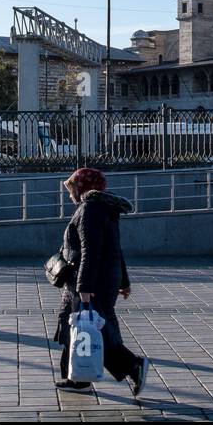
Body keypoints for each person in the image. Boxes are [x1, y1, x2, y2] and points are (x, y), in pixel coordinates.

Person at [53, 166, 149, 395]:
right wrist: (123, 281)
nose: (69, 193)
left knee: (92, 331)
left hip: (88, 282)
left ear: (83, 187)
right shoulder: (100, 208)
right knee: (73, 328)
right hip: (91, 281)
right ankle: (77, 379)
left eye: (72, 187)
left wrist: (85, 288)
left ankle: (132, 366)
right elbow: (115, 249)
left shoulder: (90, 209)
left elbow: (91, 251)